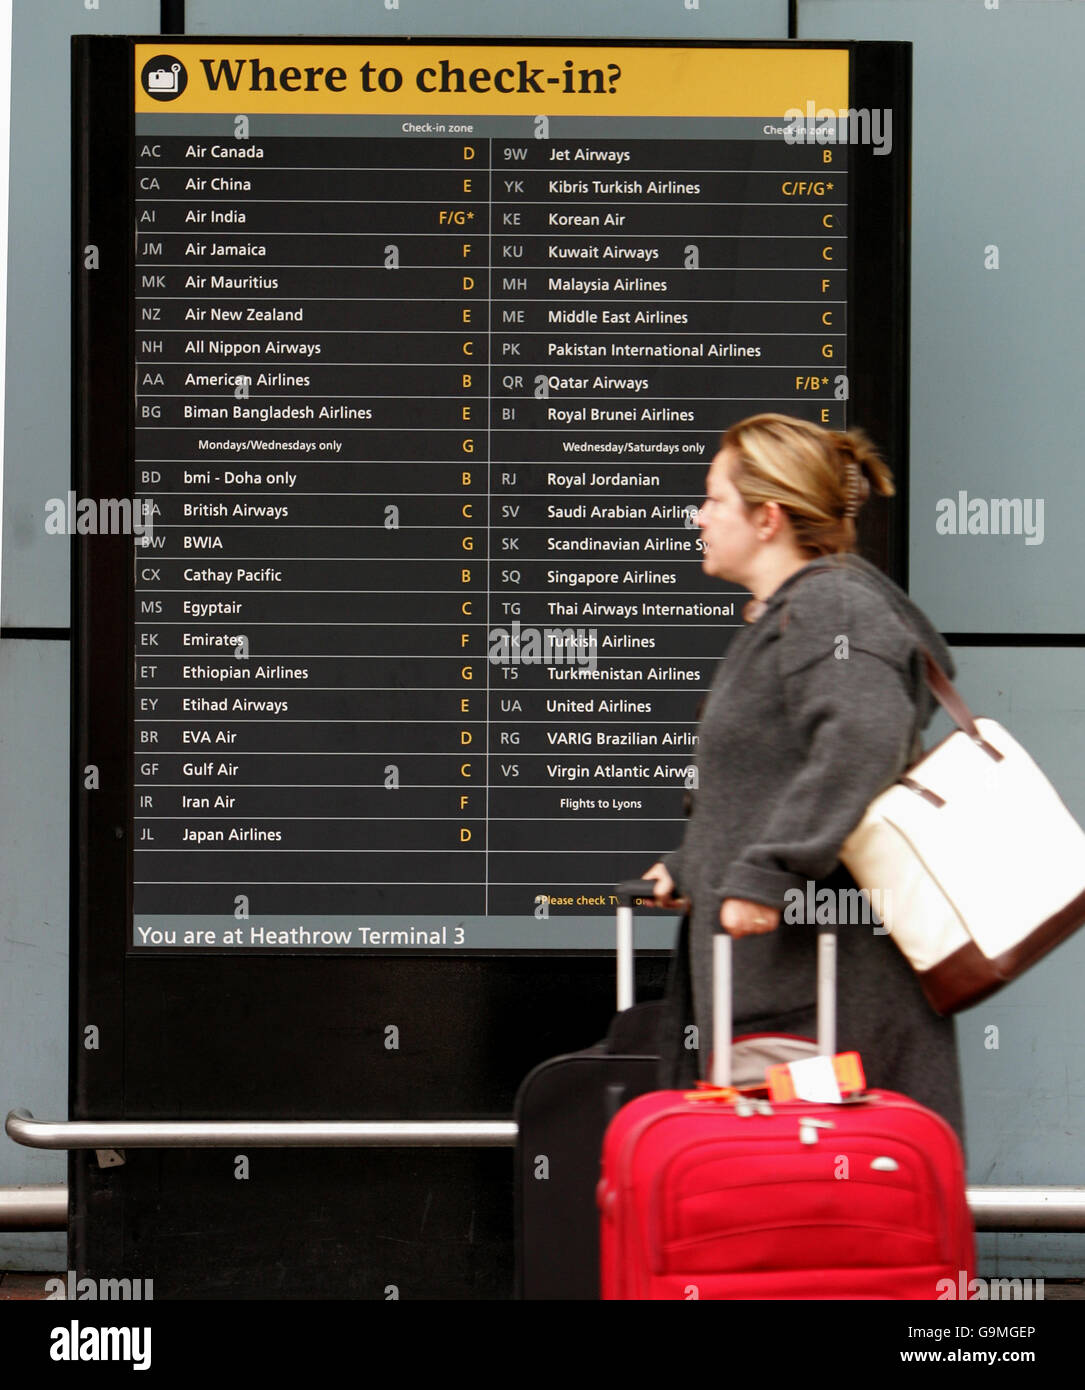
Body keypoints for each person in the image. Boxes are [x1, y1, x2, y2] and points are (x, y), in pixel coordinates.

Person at [643, 412, 965, 1140]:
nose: (698, 517)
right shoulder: (785, 617)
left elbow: (862, 739)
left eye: (713, 499)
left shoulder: (830, 606)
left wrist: (770, 873)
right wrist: (692, 865)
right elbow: (767, 778)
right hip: (787, 986)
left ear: (767, 517)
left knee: (818, 1209)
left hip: (823, 989)